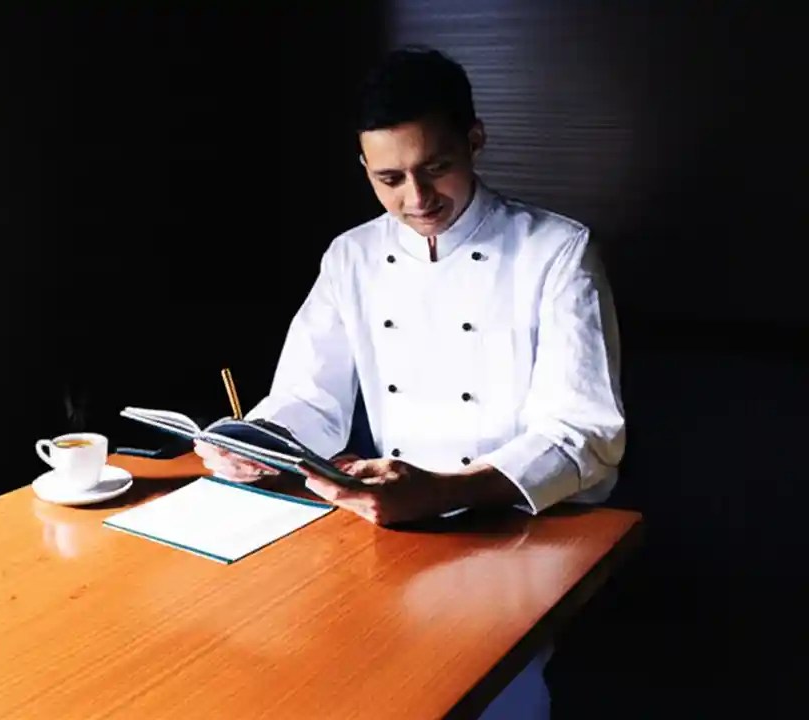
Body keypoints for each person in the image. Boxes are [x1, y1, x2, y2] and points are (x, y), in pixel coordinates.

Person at [194, 46, 625, 719]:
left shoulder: (557, 251)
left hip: (522, 525)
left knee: (484, 689)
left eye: (437, 168)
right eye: (390, 178)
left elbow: (583, 432)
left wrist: (446, 492)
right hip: (388, 526)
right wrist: (260, 441)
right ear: (363, 168)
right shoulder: (352, 255)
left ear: (474, 141)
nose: (416, 199)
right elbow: (309, 396)